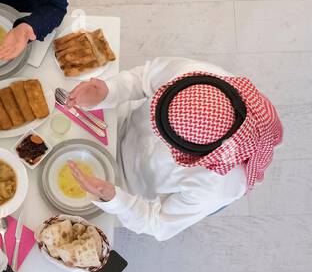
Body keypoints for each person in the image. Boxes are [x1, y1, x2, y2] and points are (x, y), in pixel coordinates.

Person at [64, 57, 283, 241]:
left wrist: (115, 198)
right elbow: (142, 79)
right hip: (118, 126)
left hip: (130, 191)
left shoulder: (216, 186)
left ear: (193, 155)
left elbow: (158, 223)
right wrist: (108, 91)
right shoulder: (194, 75)